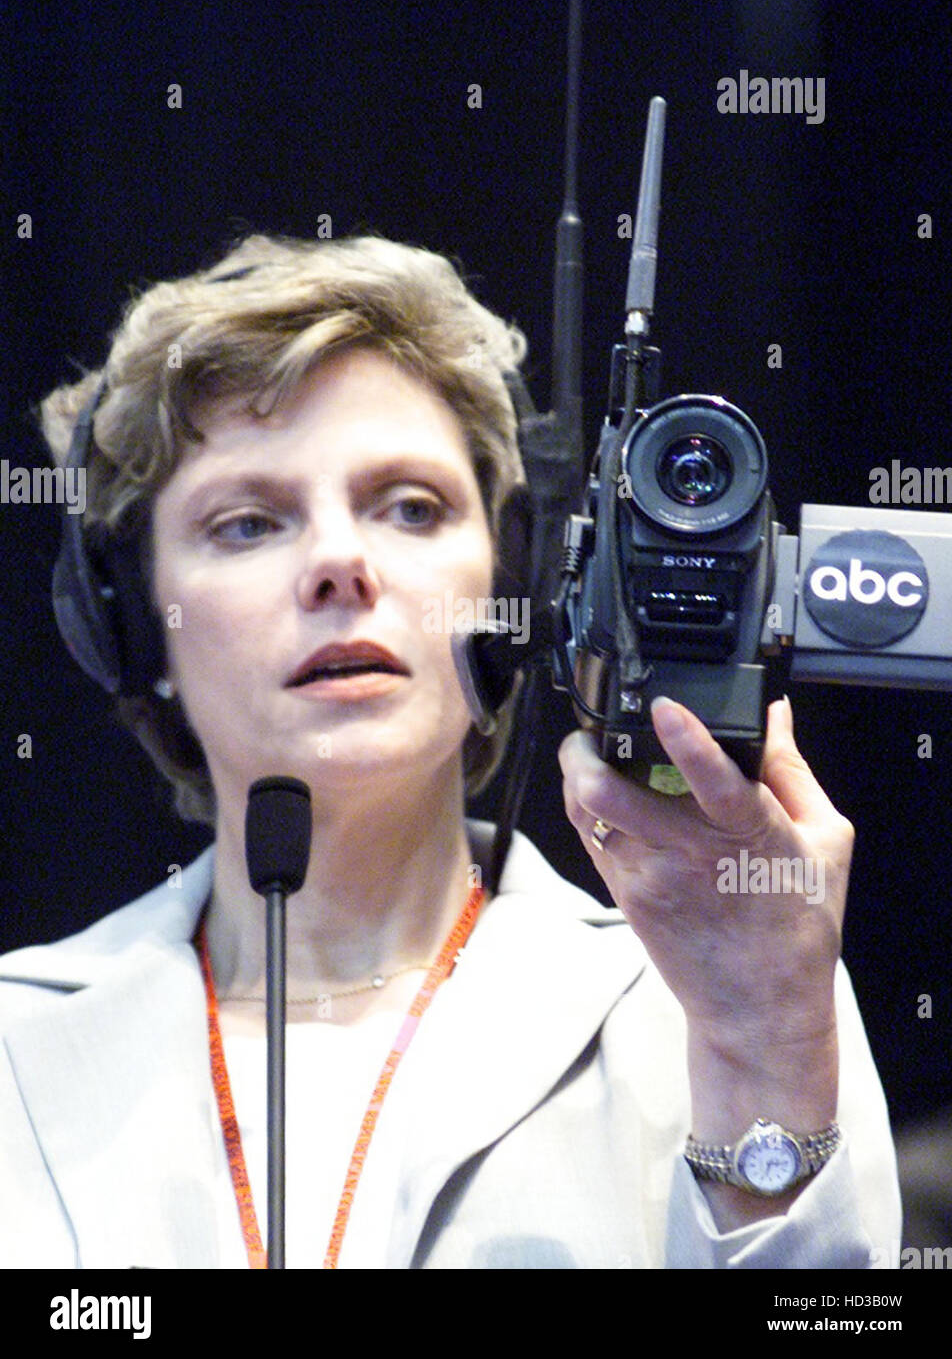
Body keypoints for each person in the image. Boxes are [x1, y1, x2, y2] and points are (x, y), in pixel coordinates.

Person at [0, 233, 899, 1268]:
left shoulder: (707, 1000)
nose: (340, 561)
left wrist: (763, 1055)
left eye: (409, 507)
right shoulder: (18, 1050)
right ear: (132, 628)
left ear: (509, 582)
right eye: (248, 524)